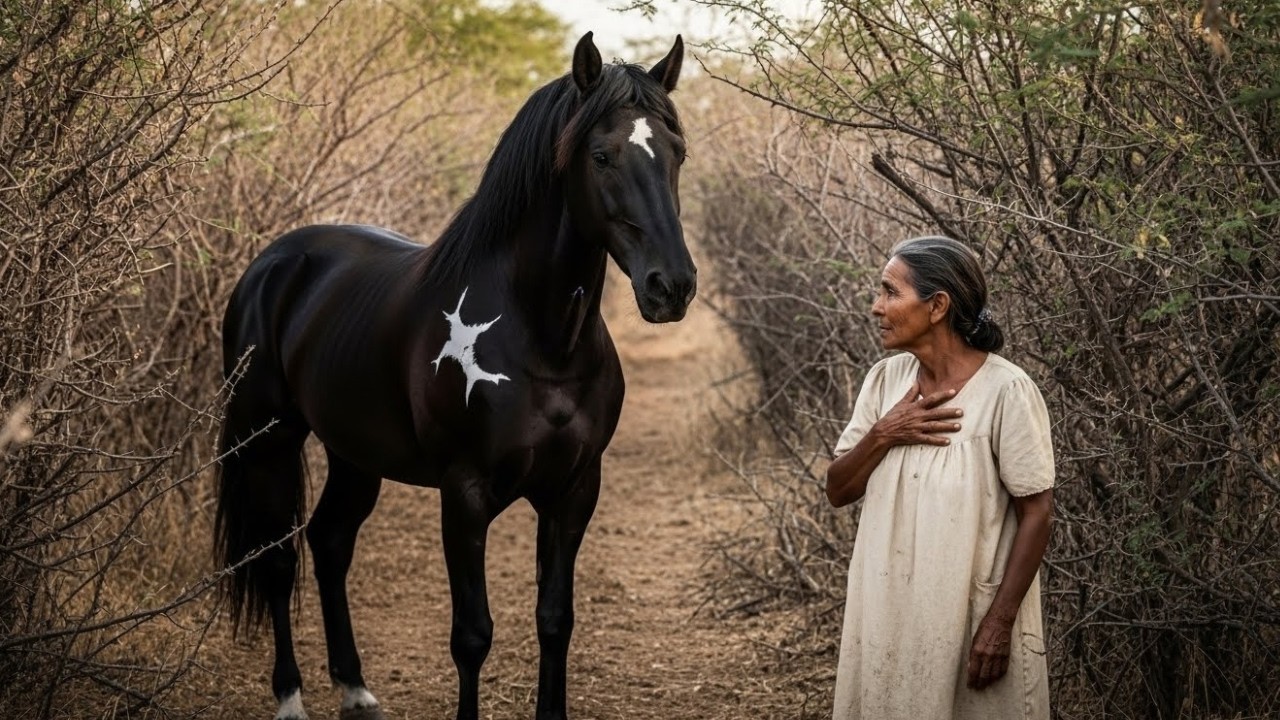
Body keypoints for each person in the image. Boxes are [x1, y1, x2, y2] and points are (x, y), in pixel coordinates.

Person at [826, 236, 1054, 719]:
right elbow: (838, 489)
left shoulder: (1006, 391)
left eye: (890, 292)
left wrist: (999, 623)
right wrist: (885, 432)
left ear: (937, 306)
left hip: (969, 613)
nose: (876, 307)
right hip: (890, 605)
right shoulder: (885, 381)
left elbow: (1038, 514)